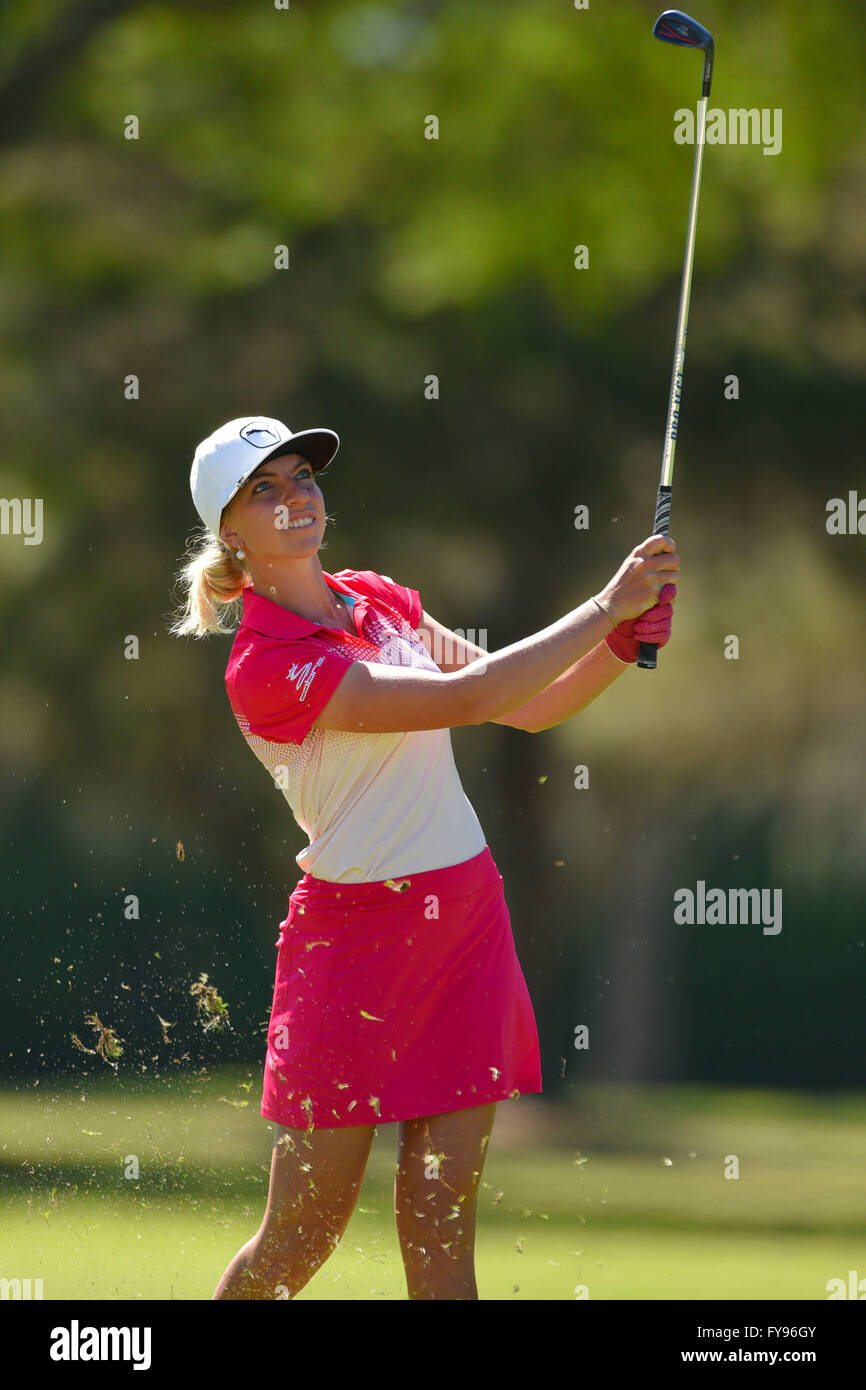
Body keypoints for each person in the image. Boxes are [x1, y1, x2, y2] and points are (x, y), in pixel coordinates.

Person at [170, 415, 678, 1301]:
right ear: (231, 532)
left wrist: (620, 642)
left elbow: (527, 706)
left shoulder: (377, 597)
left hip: (464, 926)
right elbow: (472, 696)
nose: (297, 496)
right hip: (349, 945)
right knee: (297, 1244)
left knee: (440, 1235)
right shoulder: (263, 663)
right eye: (267, 488)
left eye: (303, 477)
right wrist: (606, 603)